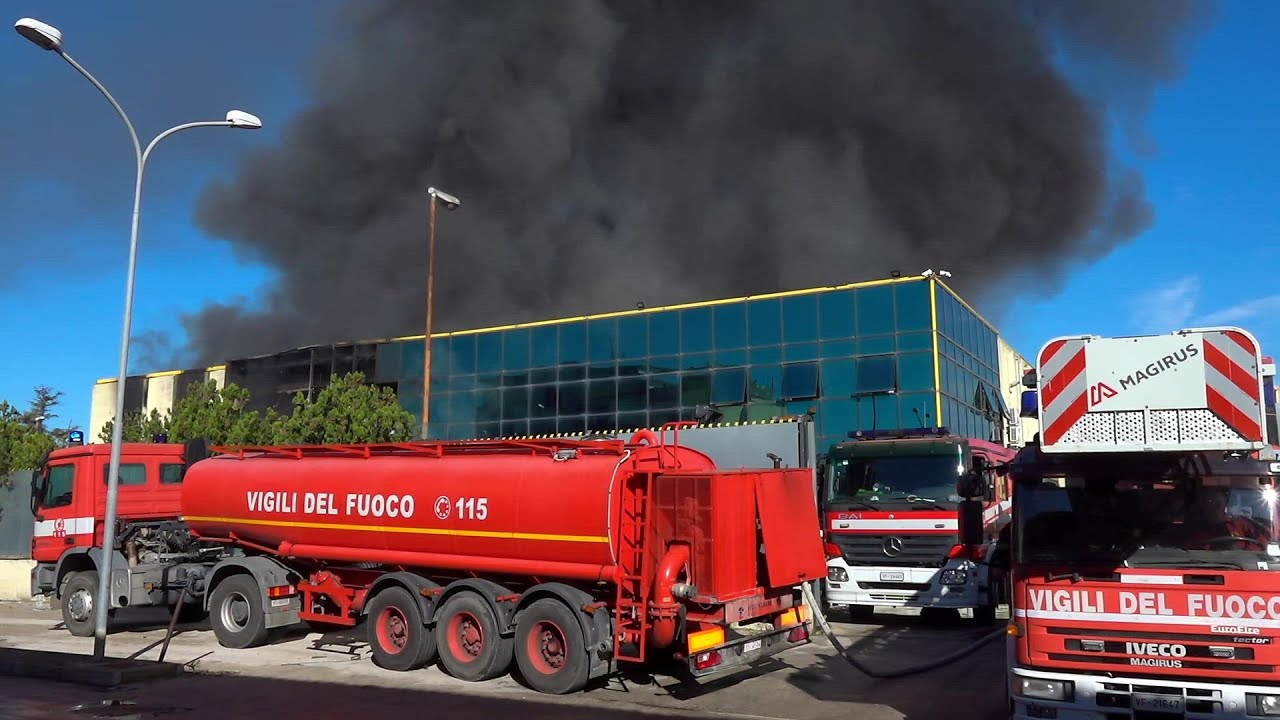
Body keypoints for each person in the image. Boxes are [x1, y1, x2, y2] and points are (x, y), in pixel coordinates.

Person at [1180, 486, 1269, 550]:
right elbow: (1192, 554)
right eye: (1209, 502)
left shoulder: (1241, 524)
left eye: (1218, 503)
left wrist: (1243, 552)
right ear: (1203, 506)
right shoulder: (1196, 530)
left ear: (1225, 503)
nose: (1215, 507)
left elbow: (1265, 546)